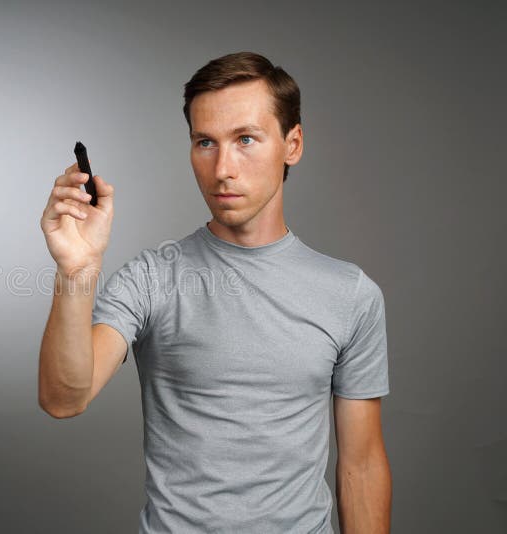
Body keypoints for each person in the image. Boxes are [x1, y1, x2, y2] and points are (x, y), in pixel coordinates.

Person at [38, 51, 391, 534]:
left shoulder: (350, 294)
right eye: (206, 142)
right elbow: (63, 398)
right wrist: (77, 271)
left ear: (293, 145)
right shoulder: (151, 277)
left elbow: (362, 465)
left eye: (246, 139)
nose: (223, 167)